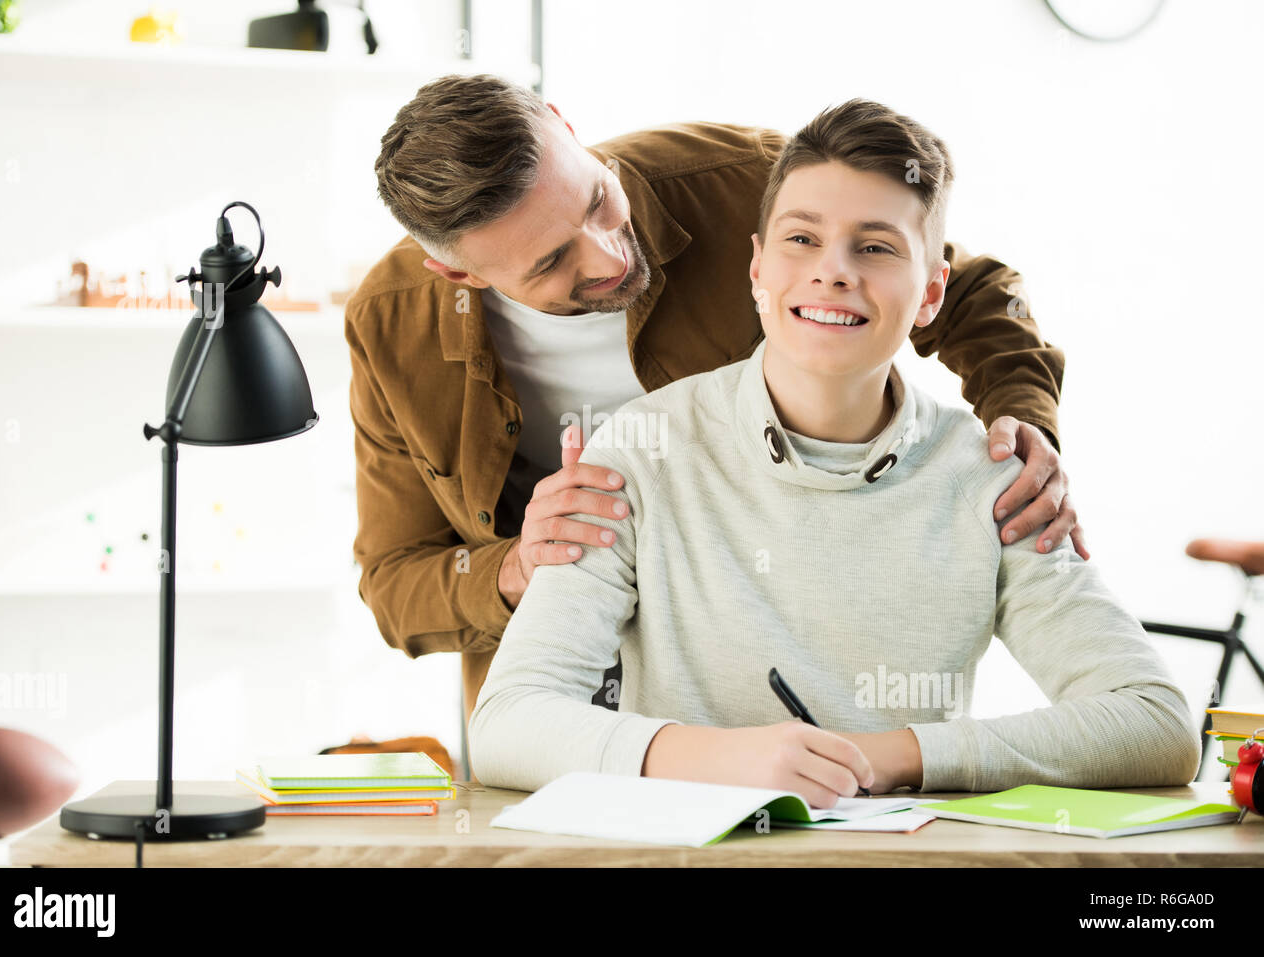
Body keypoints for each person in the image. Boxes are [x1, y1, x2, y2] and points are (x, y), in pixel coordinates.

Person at [467, 98, 1200, 802]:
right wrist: (722, 758)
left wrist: (890, 758)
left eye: (876, 246)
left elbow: (1155, 722)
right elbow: (508, 722)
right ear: (756, 269)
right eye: (802, 238)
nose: (834, 270)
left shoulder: (992, 480)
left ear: (932, 294)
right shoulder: (637, 449)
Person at [349, 74, 1084, 730]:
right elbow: (393, 582)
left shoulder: (746, 181)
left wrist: (1024, 419)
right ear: (455, 271)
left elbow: (969, 287)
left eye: (598, 200)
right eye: (551, 263)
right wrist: (517, 567)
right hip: (554, 719)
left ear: (566, 127)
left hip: (768, 688)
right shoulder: (389, 325)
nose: (609, 255)